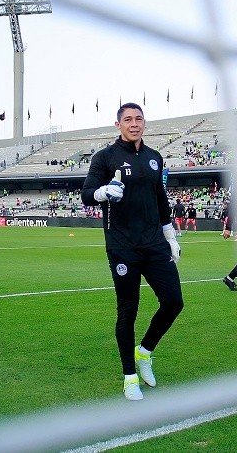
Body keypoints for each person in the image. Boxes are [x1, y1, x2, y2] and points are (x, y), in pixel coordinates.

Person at [82, 103, 181, 401]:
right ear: (118, 125)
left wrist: (170, 235)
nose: (134, 123)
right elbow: (87, 193)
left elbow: (160, 199)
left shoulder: (155, 158)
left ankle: (145, 352)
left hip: (154, 243)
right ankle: (129, 376)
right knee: (128, 310)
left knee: (174, 302)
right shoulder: (105, 157)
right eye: (128, 119)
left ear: (144, 123)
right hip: (123, 246)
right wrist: (102, 193)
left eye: (138, 119)